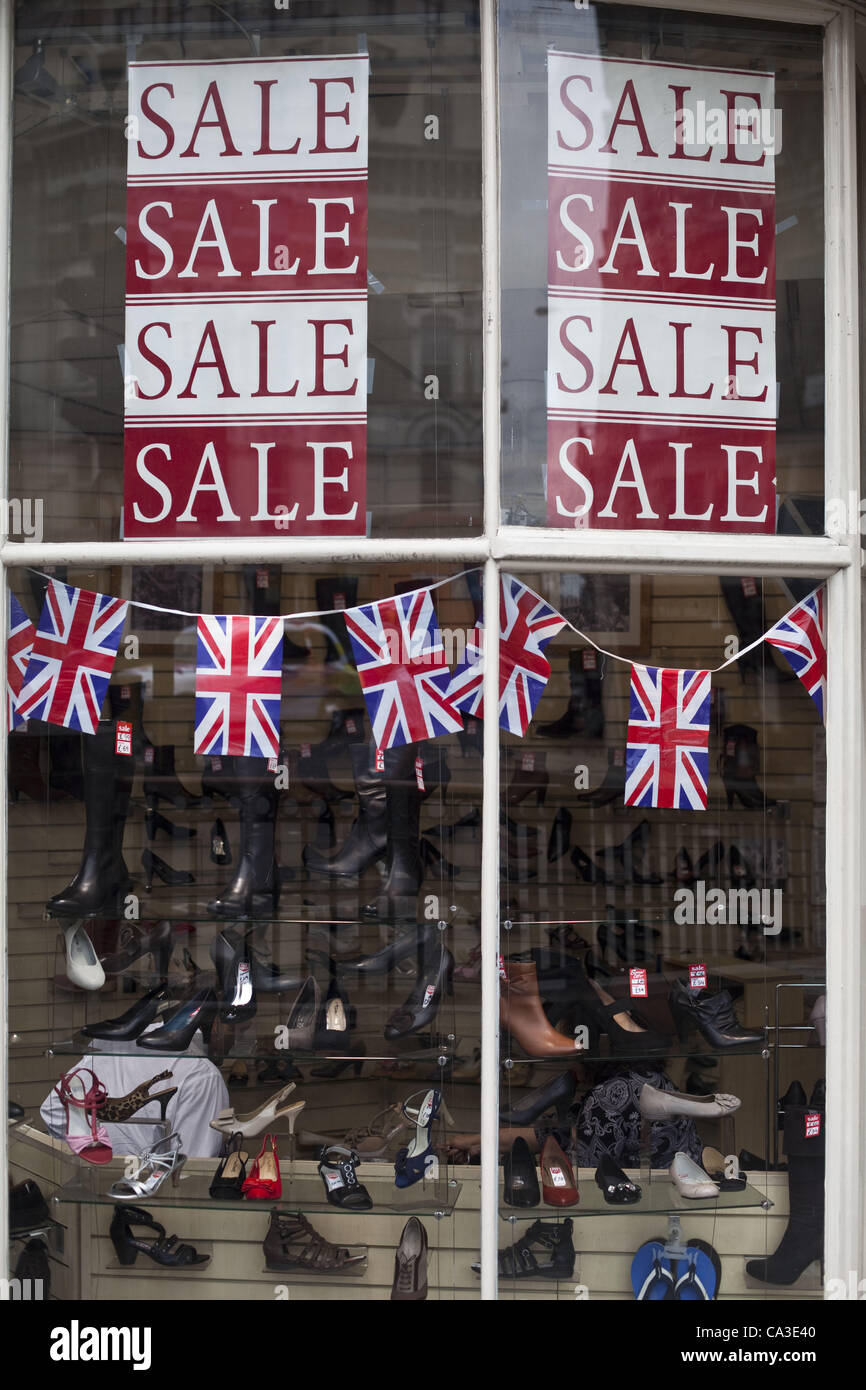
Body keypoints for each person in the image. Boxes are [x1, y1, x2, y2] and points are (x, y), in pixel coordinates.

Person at [41, 1026, 228, 1159]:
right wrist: (129, 1154)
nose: (239, 1034)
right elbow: (190, 1169)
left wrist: (112, 1149)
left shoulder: (110, 1044)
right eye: (238, 1027)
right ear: (215, 1022)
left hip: (90, 1180)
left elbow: (53, 1112)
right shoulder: (203, 1075)